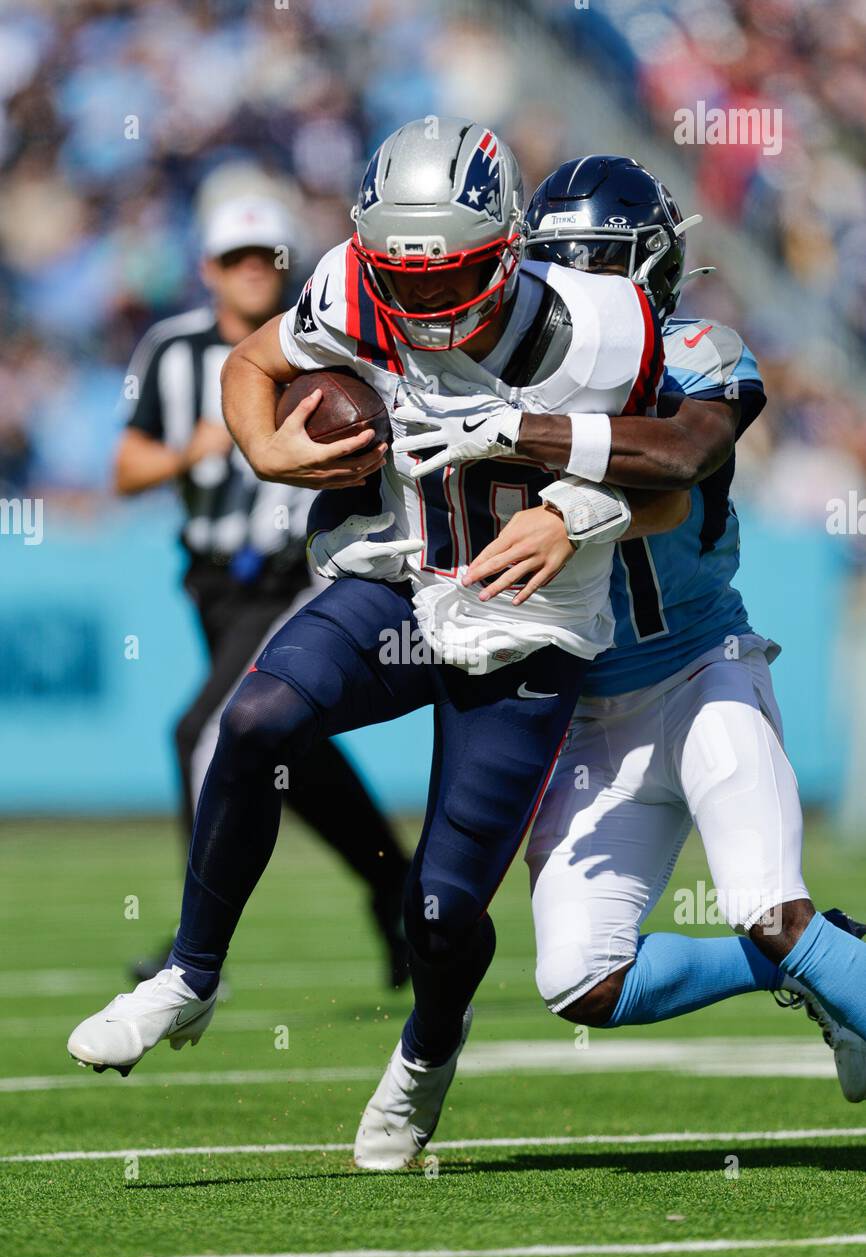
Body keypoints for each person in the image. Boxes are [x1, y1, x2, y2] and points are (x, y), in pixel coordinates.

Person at [67, 120, 684, 1169]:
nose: (427, 305)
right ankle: (189, 975)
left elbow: (671, 483)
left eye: (452, 282)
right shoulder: (357, 281)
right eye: (407, 280)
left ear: (508, 249)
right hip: (402, 580)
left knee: (439, 911)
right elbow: (256, 363)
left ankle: (425, 1052)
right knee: (250, 719)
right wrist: (264, 445)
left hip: (525, 623)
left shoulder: (604, 327)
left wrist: (574, 517)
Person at [467, 155, 866, 1101]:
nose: (582, 292)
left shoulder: (699, 351)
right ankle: (822, 962)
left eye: (601, 265)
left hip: (701, 675)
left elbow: (682, 456)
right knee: (581, 981)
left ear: (652, 269)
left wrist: (510, 433)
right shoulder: (493, 376)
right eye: (562, 267)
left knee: (771, 909)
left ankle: (809, 952)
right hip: (589, 716)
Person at [115, 191, 411, 989]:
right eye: (235, 260)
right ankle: (398, 889)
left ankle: (193, 949)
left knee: (203, 731)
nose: (252, 273)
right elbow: (125, 470)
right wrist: (203, 446)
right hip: (214, 583)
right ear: (208, 270)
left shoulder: (322, 337)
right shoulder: (173, 350)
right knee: (289, 750)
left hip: (300, 571)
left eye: (266, 258)